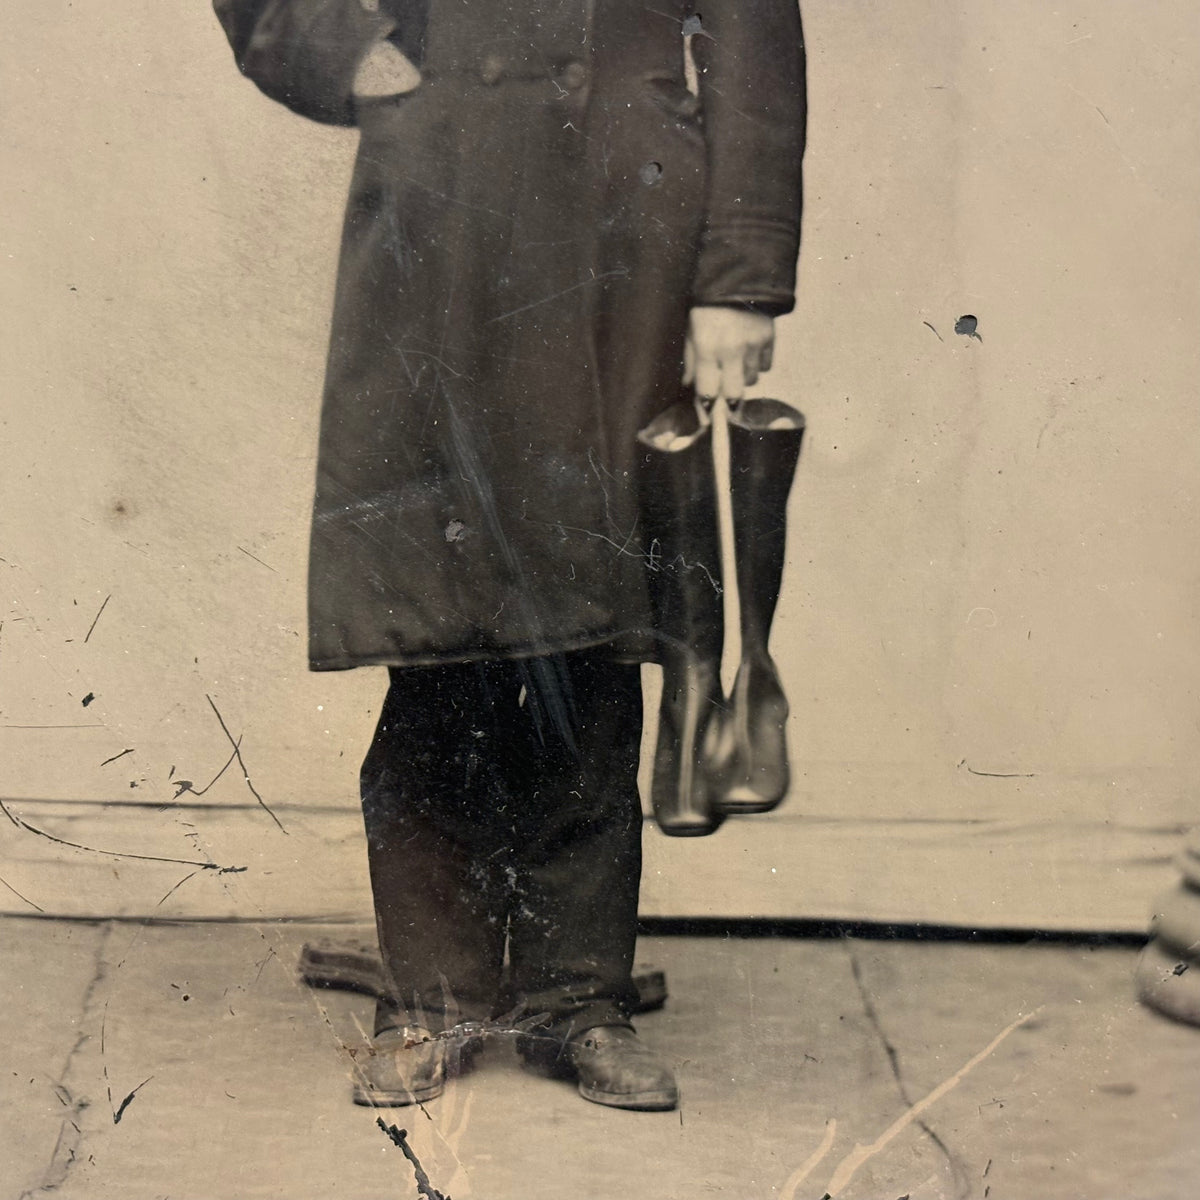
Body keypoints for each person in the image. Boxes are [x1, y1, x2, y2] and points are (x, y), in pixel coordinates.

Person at [214, 0, 806, 1111]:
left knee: (588, 611)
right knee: (435, 611)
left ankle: (577, 996)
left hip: (621, 211)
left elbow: (757, 42)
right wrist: (333, 48)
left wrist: (738, 275)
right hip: (448, 193)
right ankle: (433, 992)